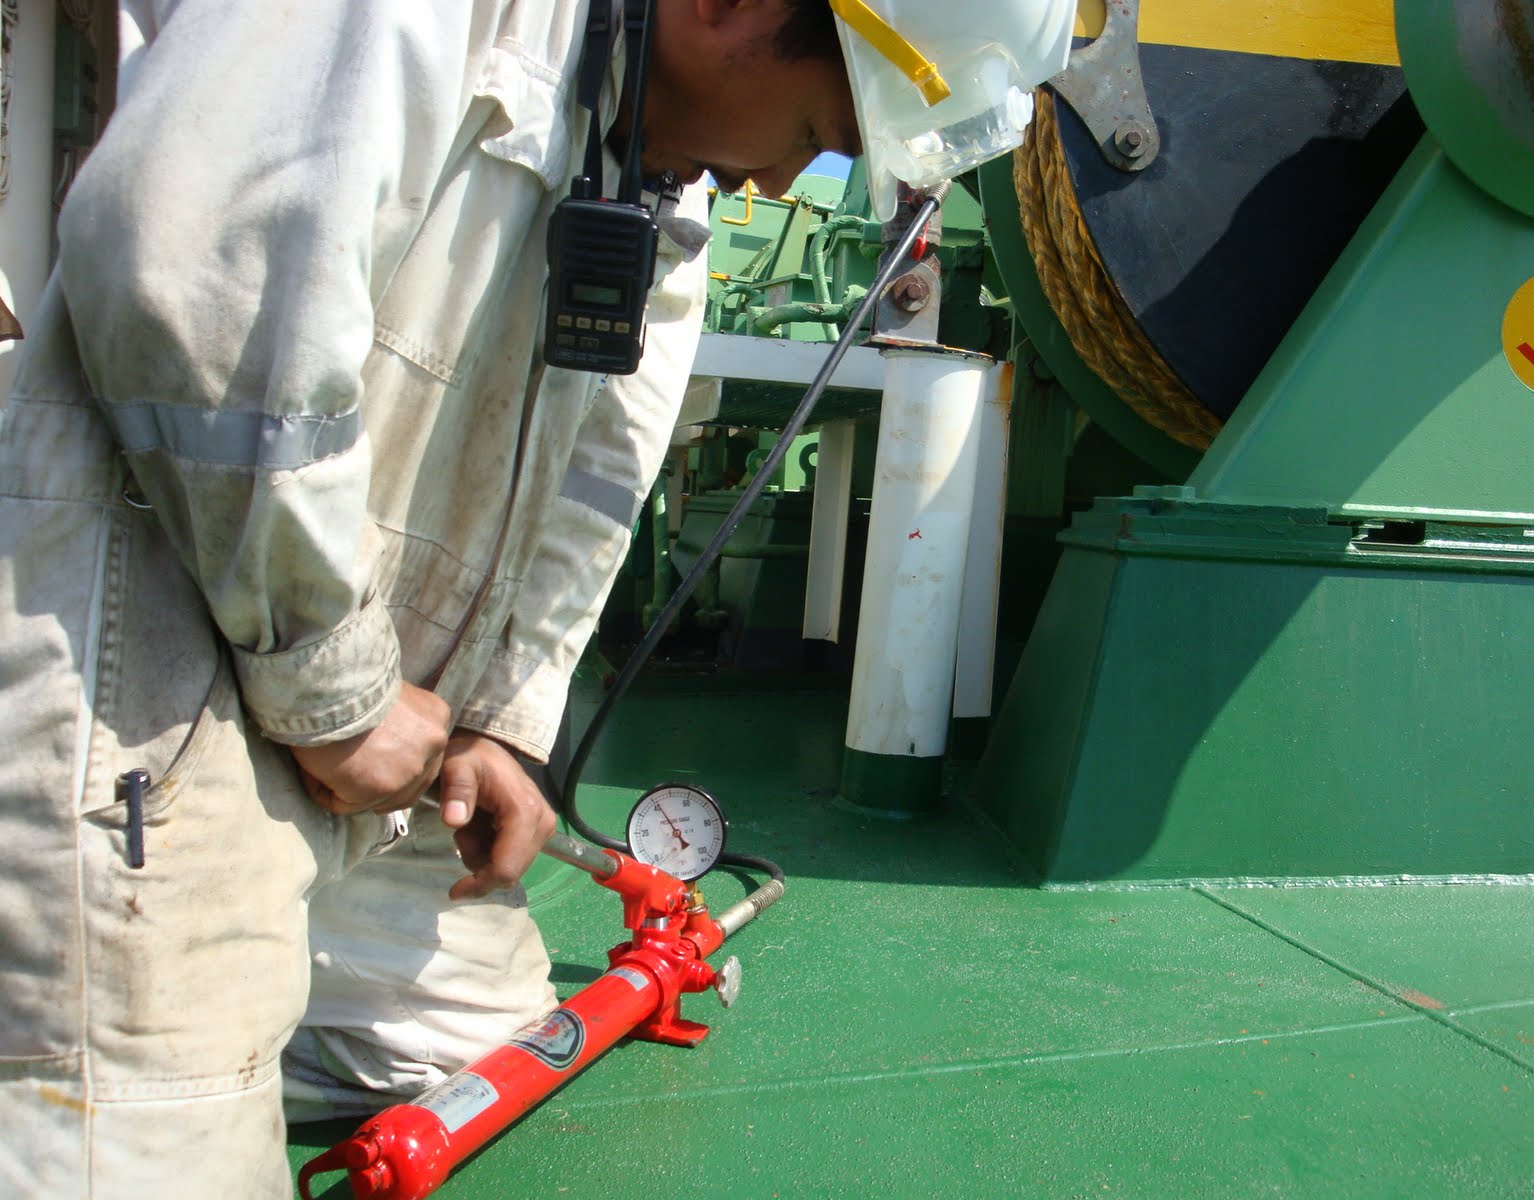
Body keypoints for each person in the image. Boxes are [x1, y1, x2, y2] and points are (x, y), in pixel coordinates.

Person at [0, 0, 1073, 1193]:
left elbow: (595, 476)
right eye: (818, 130)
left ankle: (199, 1012)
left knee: (473, 1041)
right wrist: (335, 690)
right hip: (150, 685)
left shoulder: (654, 181)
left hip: (369, 733)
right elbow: (189, 265)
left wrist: (496, 723)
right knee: (144, 1150)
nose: (783, 180)